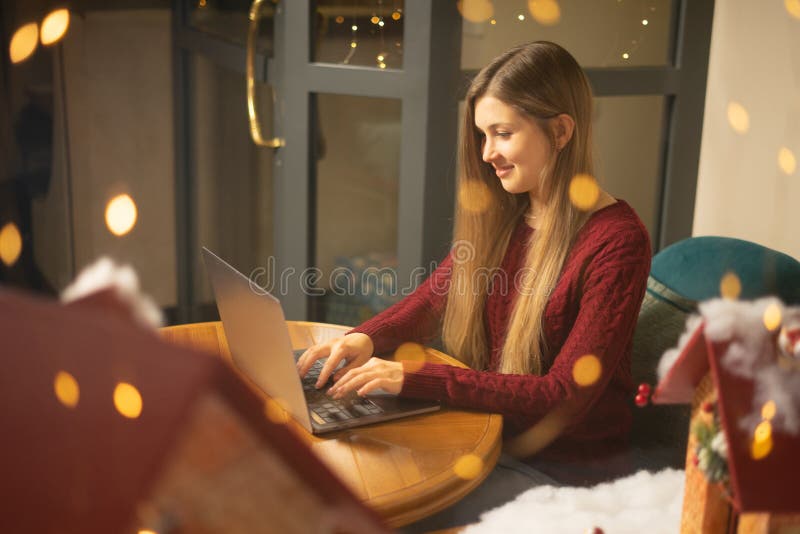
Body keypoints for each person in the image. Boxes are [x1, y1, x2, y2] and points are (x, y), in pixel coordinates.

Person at [297, 40, 651, 527]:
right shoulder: (510, 212)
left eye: (502, 134)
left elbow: (564, 396)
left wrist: (413, 378)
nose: (488, 155)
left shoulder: (618, 242)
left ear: (562, 130)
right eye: (483, 136)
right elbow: (434, 298)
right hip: (484, 438)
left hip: (563, 471)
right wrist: (364, 338)